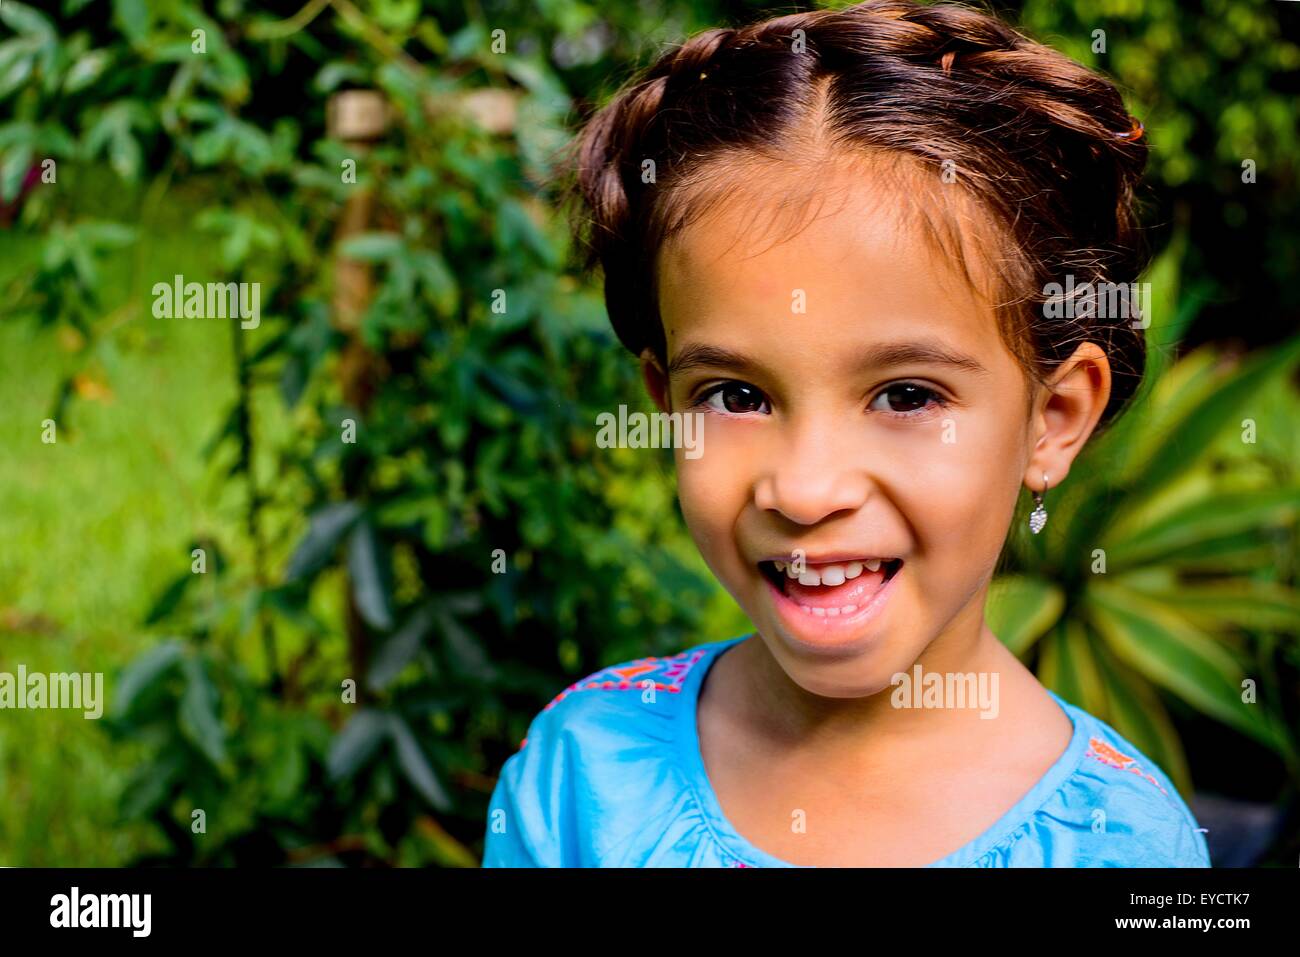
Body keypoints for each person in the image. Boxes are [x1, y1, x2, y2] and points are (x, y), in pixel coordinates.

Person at [483, 0, 1209, 867]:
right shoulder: (580, 779)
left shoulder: (1125, 843)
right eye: (736, 394)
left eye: (906, 395)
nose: (805, 487)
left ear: (1052, 419)